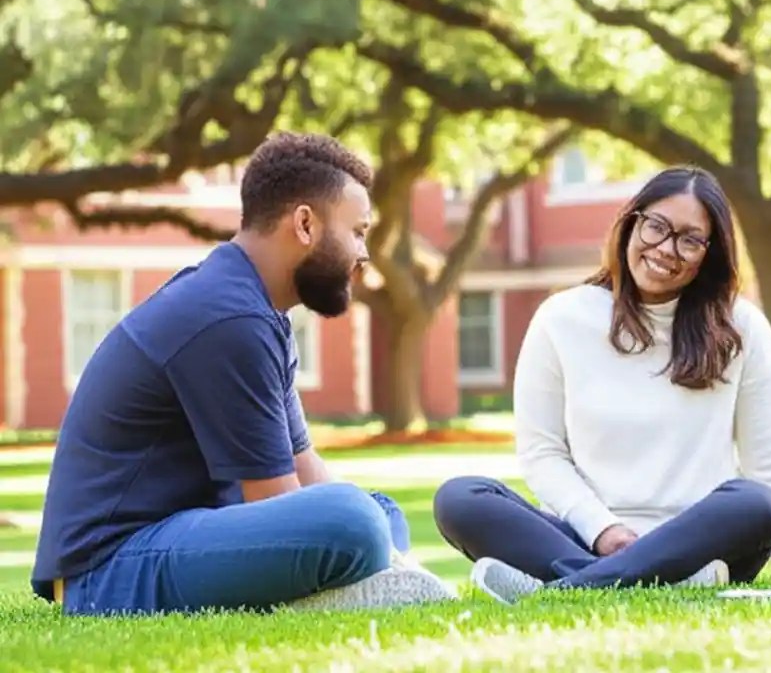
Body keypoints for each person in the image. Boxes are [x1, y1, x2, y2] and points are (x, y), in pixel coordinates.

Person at [31, 132, 456, 615]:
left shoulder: (257, 309)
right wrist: (355, 533)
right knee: (354, 521)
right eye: (357, 231)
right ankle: (333, 595)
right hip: (109, 571)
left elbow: (303, 467)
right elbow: (274, 500)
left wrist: (376, 545)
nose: (364, 254)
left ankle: (366, 581)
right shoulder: (229, 317)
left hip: (181, 536)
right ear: (304, 224)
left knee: (378, 512)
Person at [433, 166, 771, 604]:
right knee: (461, 497)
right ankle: (618, 580)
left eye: (689, 239)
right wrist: (605, 531)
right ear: (631, 223)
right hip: (585, 538)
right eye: (656, 226)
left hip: (702, 547)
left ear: (708, 254)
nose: (665, 249)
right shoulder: (562, 318)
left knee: (757, 503)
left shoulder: (741, 328)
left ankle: (565, 590)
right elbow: (542, 454)